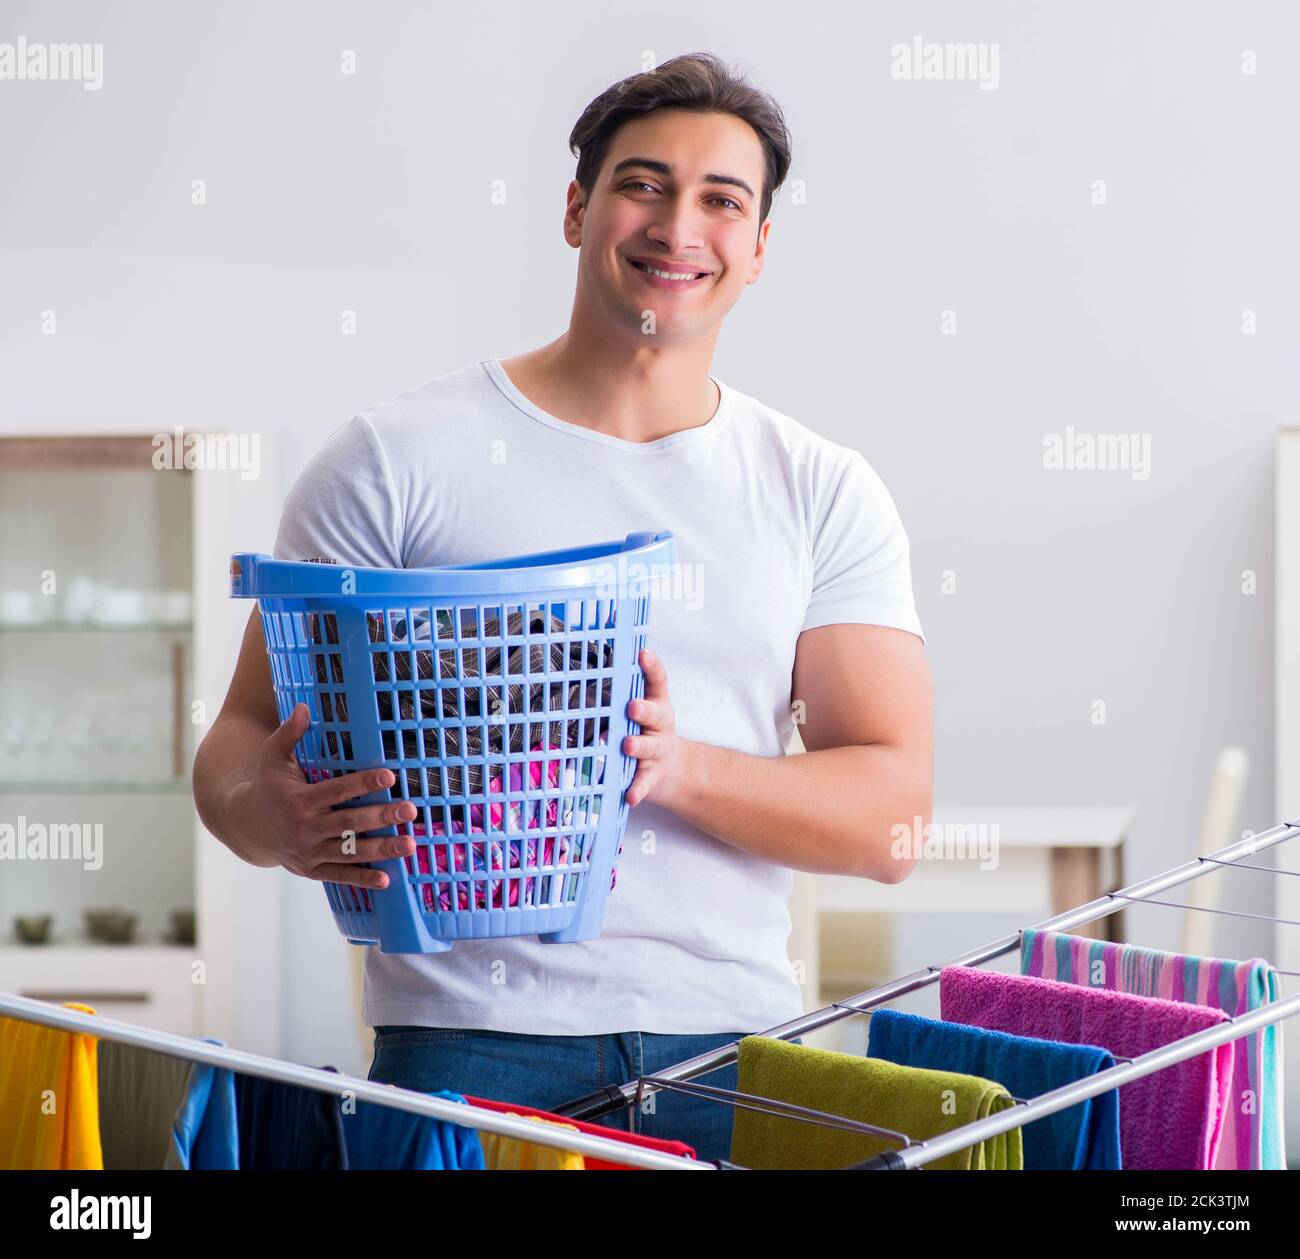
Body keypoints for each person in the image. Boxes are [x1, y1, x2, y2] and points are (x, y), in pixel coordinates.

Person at [192, 50, 933, 1164]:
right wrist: (276, 816)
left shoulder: (818, 487)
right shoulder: (397, 460)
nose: (678, 224)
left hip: (730, 1051)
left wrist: (682, 768)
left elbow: (891, 818)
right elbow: (235, 748)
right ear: (578, 208)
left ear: (759, 246)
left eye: (721, 199)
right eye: (643, 183)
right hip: (467, 1046)